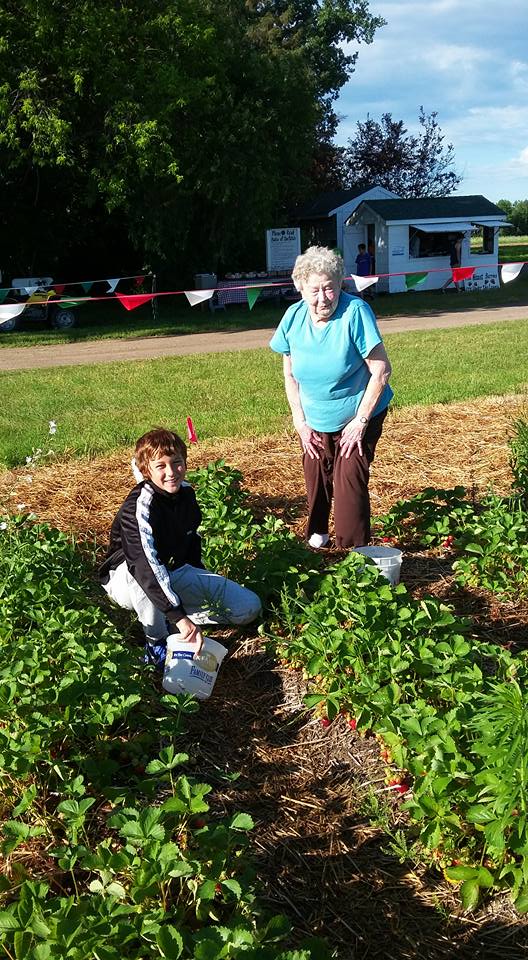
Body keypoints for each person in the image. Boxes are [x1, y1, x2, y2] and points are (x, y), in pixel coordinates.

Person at [99, 427, 262, 666]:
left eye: (176, 463)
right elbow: (144, 564)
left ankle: (173, 619)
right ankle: (156, 641)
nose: (171, 472)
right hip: (127, 581)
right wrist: (178, 615)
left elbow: (191, 539)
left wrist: (198, 580)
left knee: (248, 607)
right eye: (161, 466)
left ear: (185, 462)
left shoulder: (186, 493)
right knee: (141, 574)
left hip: (171, 572)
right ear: (146, 470)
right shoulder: (140, 505)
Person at [269, 246, 392, 550]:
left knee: (349, 483)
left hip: (358, 414)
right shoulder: (293, 318)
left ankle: (356, 553)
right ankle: (318, 540)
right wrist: (300, 423)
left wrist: (360, 422)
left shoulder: (355, 312)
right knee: (315, 474)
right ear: (300, 288)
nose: (323, 298)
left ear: (340, 284)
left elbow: (381, 371)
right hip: (314, 418)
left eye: (329, 287)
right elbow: (290, 376)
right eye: (315, 290)